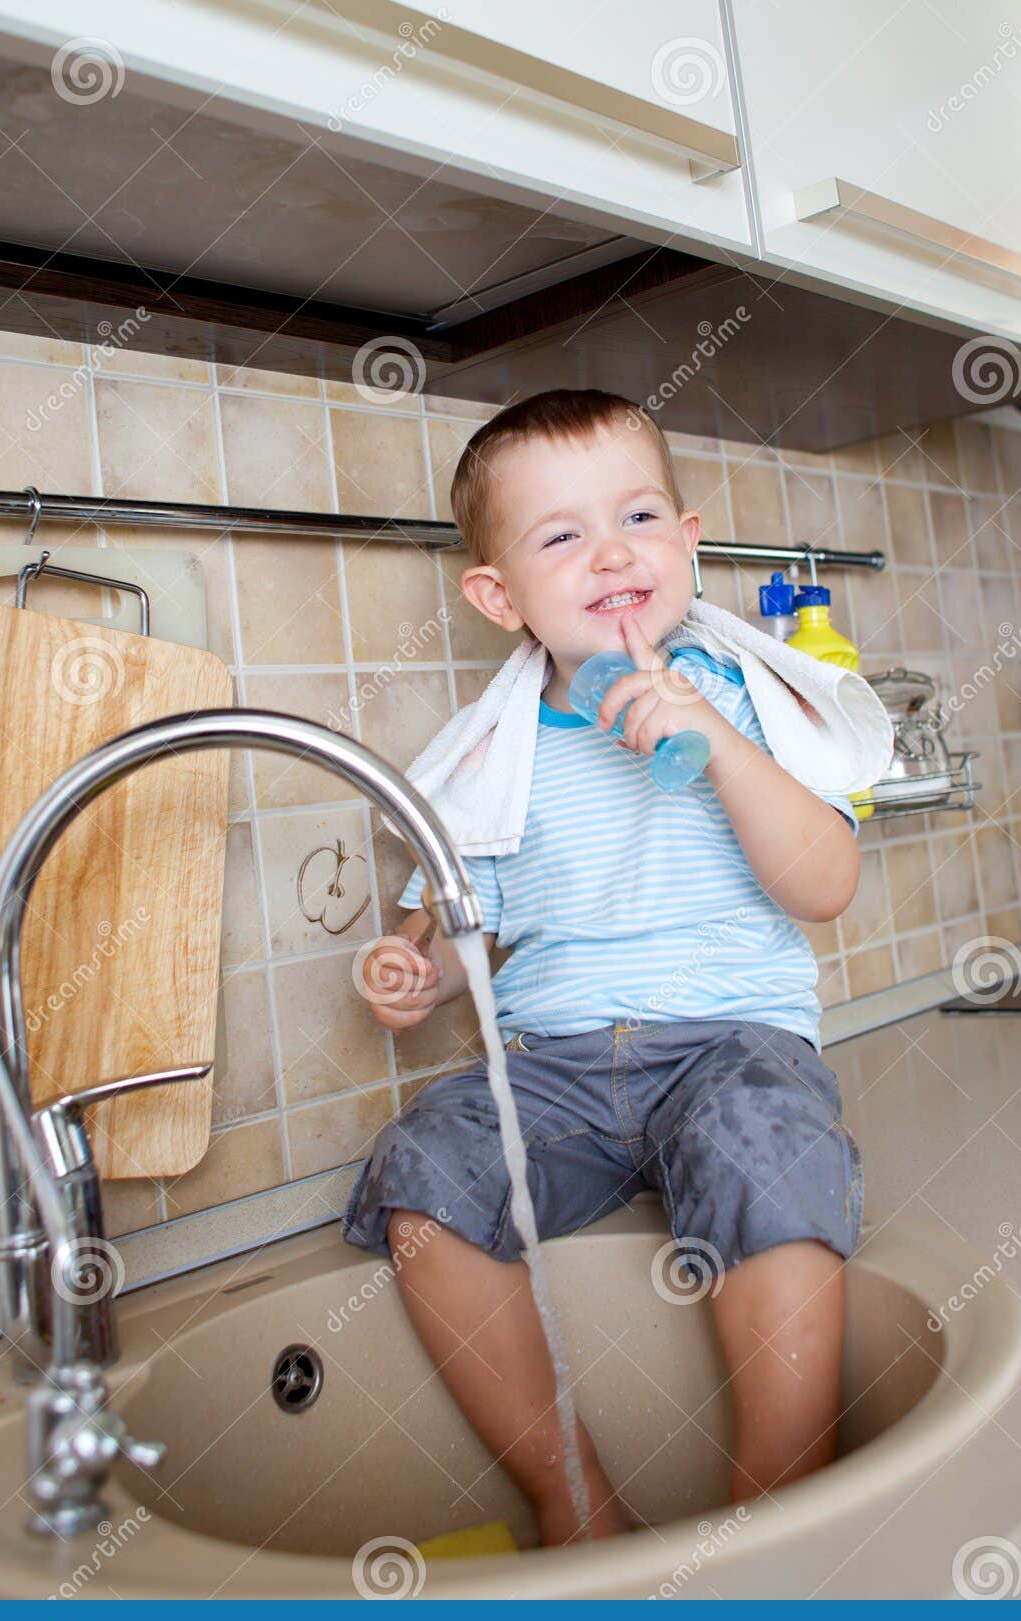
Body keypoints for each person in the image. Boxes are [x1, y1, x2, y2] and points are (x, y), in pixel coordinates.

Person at [343, 388, 864, 1547]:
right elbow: (449, 933)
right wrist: (412, 977)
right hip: (556, 1073)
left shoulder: (749, 701)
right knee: (420, 1167)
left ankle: (781, 1504)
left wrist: (712, 737)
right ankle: (572, 1500)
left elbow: (824, 885)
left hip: (730, 1045)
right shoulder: (494, 757)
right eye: (561, 535)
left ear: (686, 543)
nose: (611, 550)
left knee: (763, 1144)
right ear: (498, 596)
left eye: (636, 516)